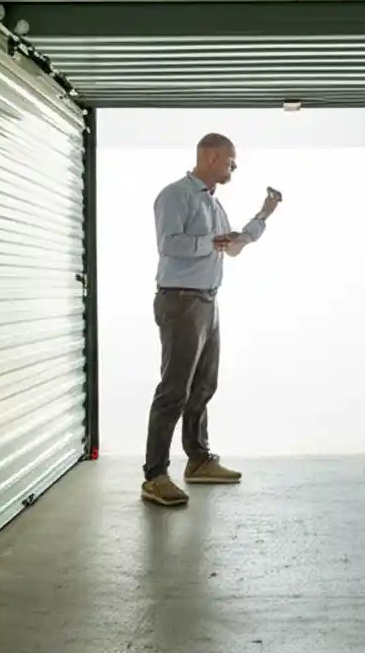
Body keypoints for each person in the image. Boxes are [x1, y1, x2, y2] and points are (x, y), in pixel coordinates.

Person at [141, 132, 280, 507]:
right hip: (180, 301)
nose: (234, 167)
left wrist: (263, 216)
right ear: (214, 157)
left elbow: (231, 248)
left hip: (206, 302)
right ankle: (154, 476)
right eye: (231, 161)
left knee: (203, 385)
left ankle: (198, 460)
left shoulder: (213, 205)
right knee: (174, 390)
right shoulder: (176, 195)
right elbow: (169, 243)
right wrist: (211, 243)